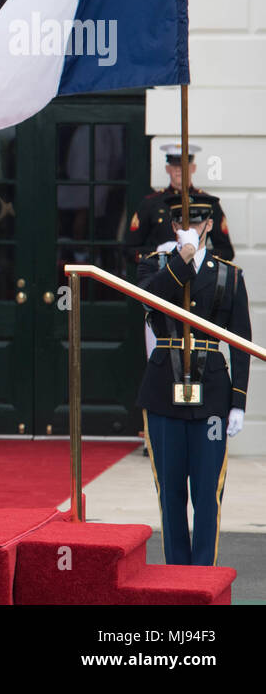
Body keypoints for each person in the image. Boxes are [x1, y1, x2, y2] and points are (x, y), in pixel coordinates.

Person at [137, 192, 250, 566]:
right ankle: (175, 574)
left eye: (198, 222)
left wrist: (238, 402)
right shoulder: (153, 266)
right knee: (170, 492)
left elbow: (241, 342)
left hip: (212, 393)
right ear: (173, 227)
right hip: (163, 390)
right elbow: (151, 300)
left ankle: (202, 574)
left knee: (207, 491)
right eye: (183, 224)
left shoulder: (229, 275)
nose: (191, 229)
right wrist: (181, 262)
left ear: (210, 225)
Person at [125, 142, 236, 362]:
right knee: (161, 351)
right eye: (175, 166)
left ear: (193, 168)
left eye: (184, 166)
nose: (179, 171)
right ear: (167, 169)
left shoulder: (208, 204)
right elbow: (130, 250)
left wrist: (201, 257)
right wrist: (159, 252)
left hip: (199, 286)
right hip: (163, 286)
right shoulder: (151, 204)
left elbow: (226, 250)